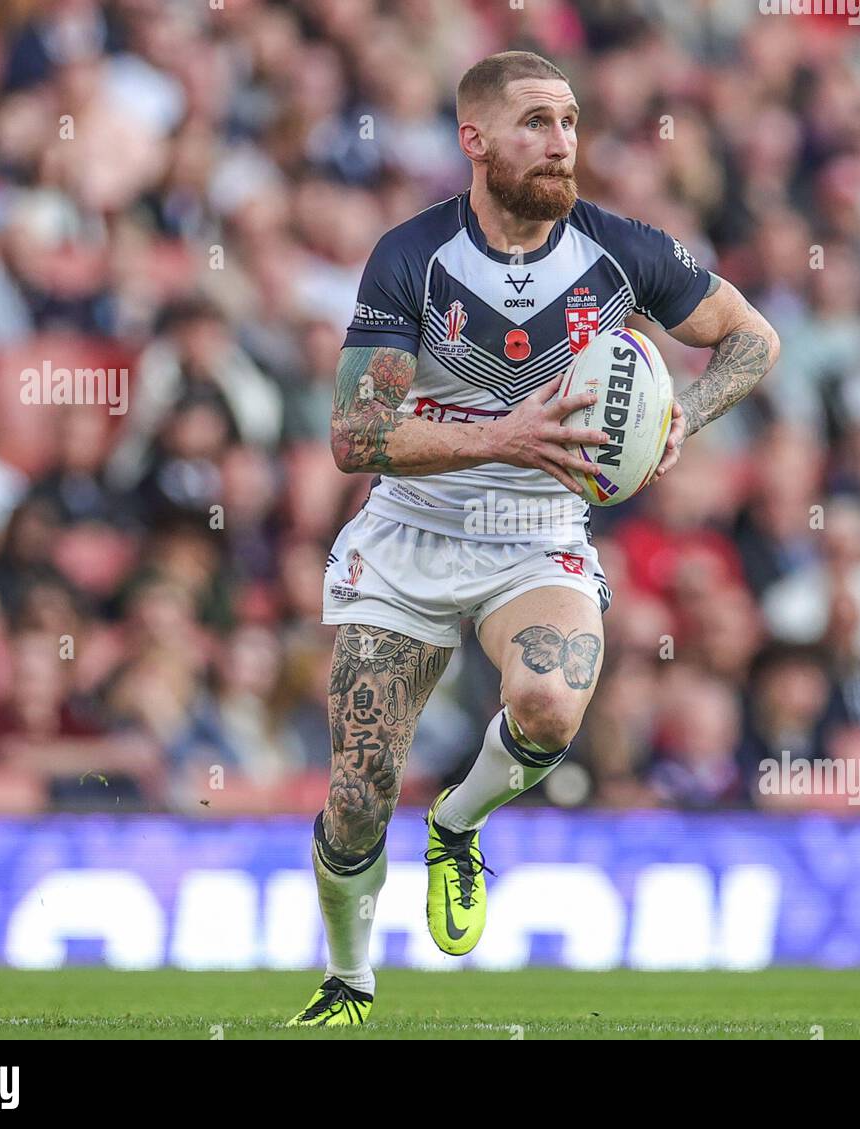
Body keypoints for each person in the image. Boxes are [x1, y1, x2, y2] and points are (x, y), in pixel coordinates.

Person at [291, 51, 780, 1027]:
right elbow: (355, 435)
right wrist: (506, 432)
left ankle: (459, 823)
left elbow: (751, 339)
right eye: (533, 123)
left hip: (537, 536)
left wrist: (684, 411)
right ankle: (349, 981)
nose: (560, 140)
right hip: (408, 537)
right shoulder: (413, 255)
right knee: (358, 787)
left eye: (566, 120)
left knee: (552, 708)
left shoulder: (622, 249)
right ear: (473, 139)